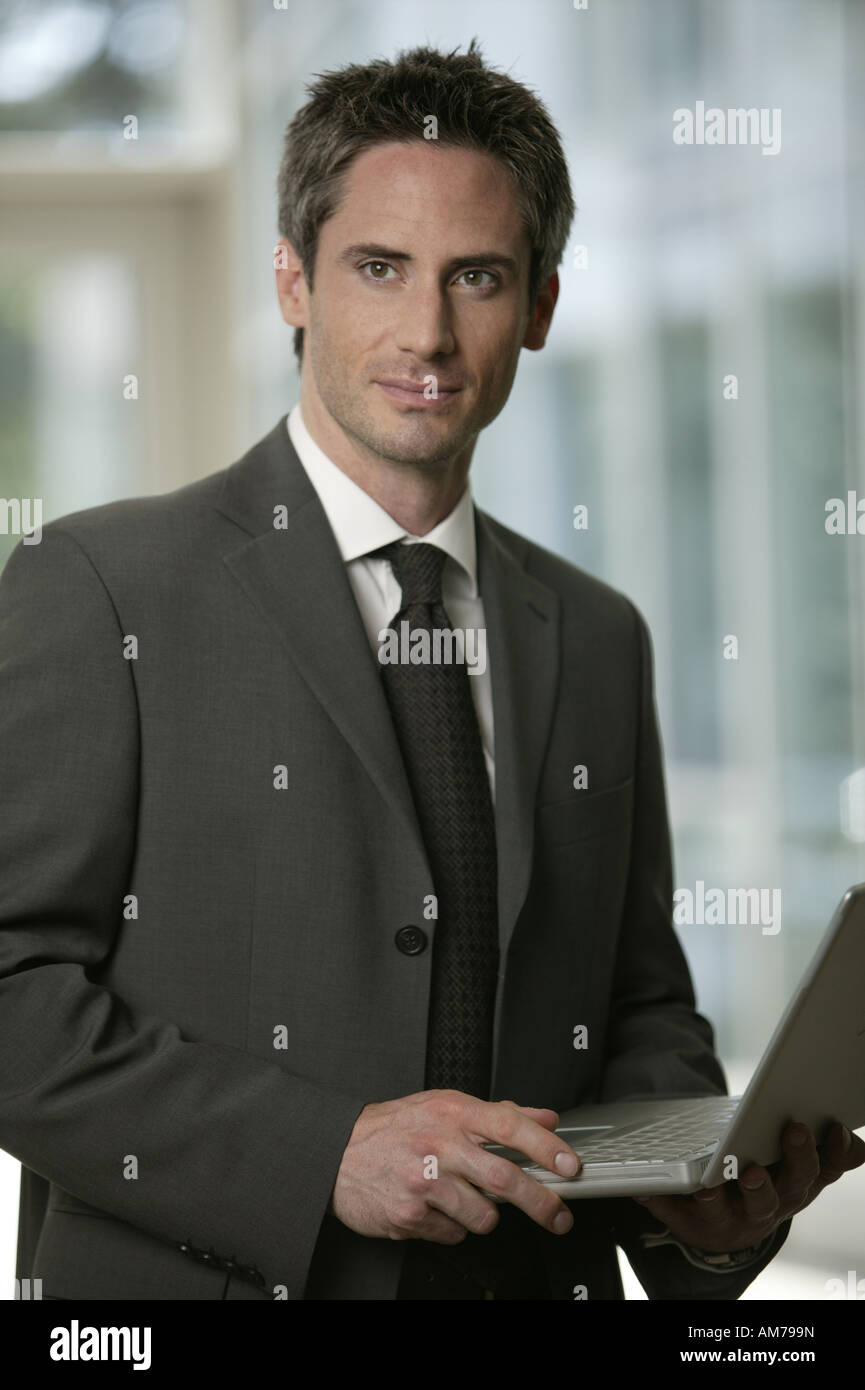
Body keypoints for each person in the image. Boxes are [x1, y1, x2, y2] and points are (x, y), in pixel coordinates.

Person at [1, 41, 861, 1303]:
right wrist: (323, 1152)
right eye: (378, 268)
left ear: (544, 306)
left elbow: (636, 1005)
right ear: (292, 282)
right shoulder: (102, 586)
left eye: (477, 277)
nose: (428, 333)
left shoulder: (597, 633)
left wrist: (703, 1198)